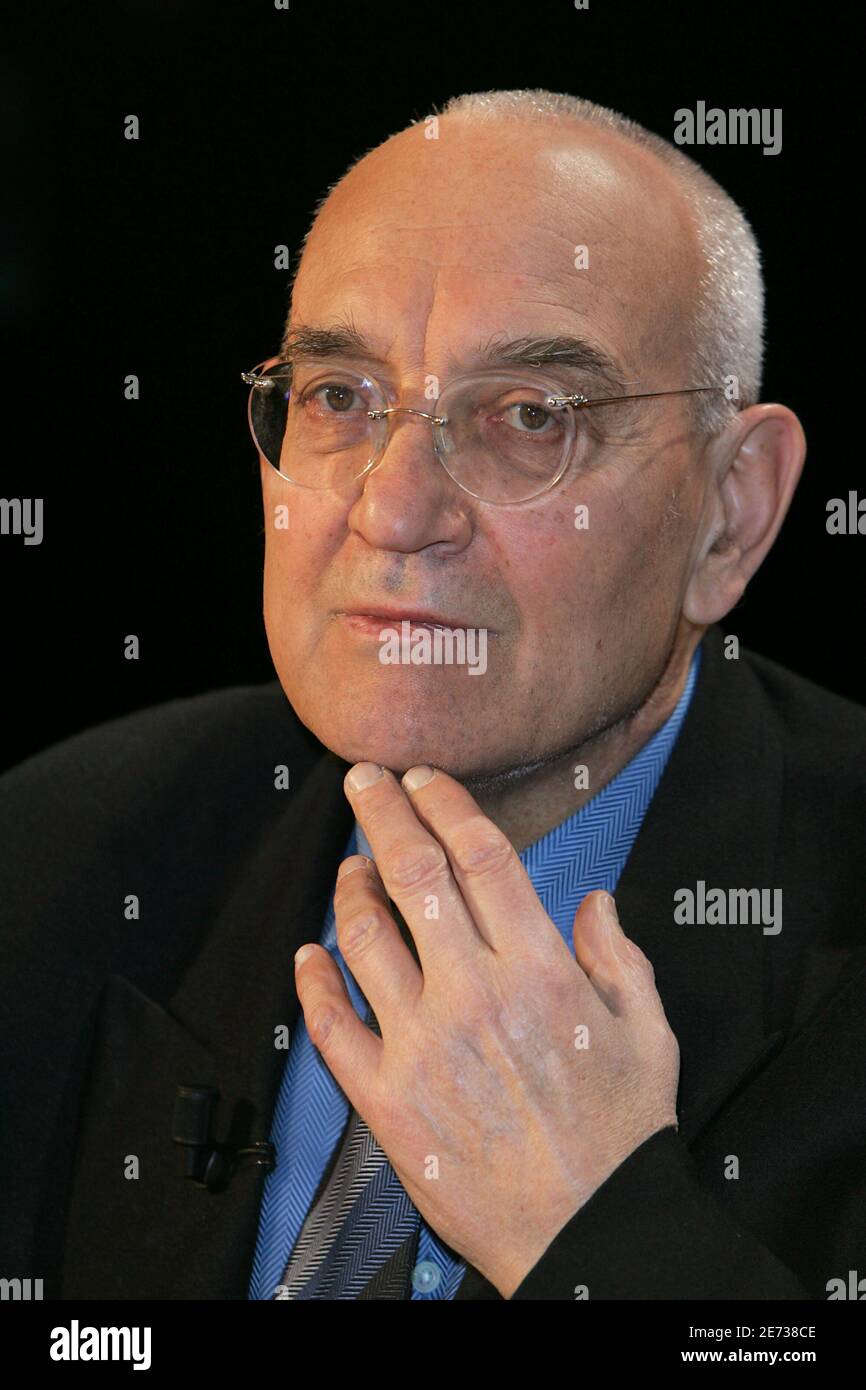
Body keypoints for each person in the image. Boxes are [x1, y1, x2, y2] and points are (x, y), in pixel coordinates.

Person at [2, 89, 864, 1302]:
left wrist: (599, 1241)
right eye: (338, 398)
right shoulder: (51, 861)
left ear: (729, 512)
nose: (392, 510)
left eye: (528, 418)